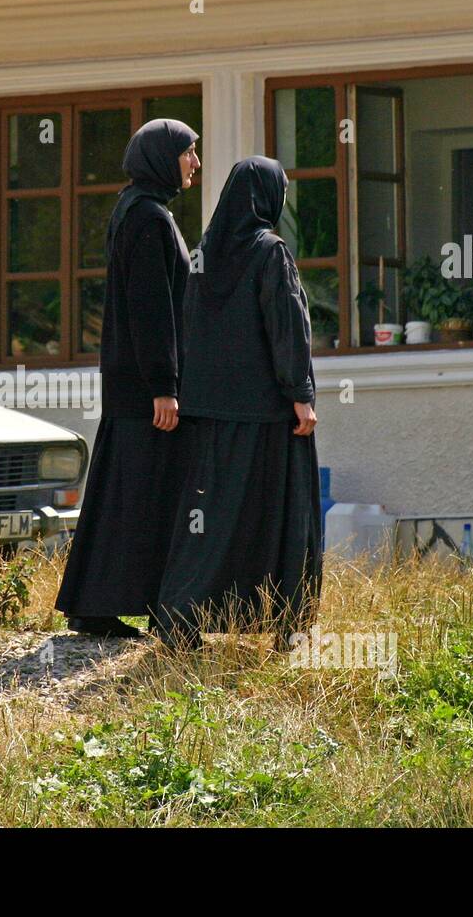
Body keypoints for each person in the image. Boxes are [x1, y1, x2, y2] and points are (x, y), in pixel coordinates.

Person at [154, 156, 321, 650]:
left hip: (207, 413)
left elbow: (187, 330)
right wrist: (301, 396)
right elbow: (287, 328)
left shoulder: (204, 254)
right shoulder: (271, 253)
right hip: (268, 414)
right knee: (282, 519)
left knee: (208, 521)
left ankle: (179, 618)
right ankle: (288, 624)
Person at [53, 118, 199, 640]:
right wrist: (166, 384)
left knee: (121, 495)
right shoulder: (149, 218)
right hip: (146, 391)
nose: (195, 164)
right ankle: (164, 608)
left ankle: (94, 605)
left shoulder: (136, 209)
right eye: (187, 153)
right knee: (151, 497)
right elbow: (151, 308)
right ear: (163, 157)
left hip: (130, 386)